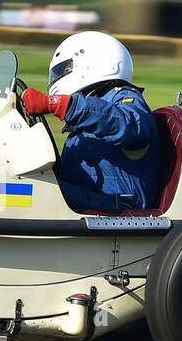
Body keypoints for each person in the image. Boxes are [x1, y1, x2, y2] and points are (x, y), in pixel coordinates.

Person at [21, 31, 161, 213]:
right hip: (93, 195)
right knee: (19, 184)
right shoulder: (88, 110)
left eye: (63, 70)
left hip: (119, 203)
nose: (57, 78)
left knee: (27, 192)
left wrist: (59, 104)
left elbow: (131, 128)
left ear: (94, 63)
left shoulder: (124, 97)